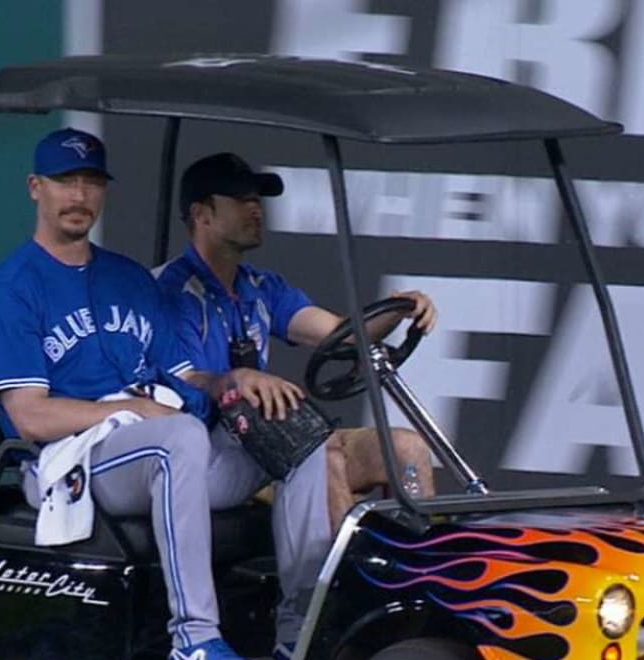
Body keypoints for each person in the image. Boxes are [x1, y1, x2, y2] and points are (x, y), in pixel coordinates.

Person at [0, 129, 331, 660]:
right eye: (66, 182)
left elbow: (182, 377)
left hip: (160, 444)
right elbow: (30, 417)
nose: (80, 195)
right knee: (178, 438)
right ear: (35, 188)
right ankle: (194, 640)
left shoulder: (128, 278)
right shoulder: (11, 291)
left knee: (299, 436)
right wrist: (134, 414)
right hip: (71, 463)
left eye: (92, 182)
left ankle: (297, 634)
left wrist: (229, 384)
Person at [156, 152, 441, 531]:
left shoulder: (262, 287)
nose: (256, 210)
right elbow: (184, 382)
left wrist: (402, 309)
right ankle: (337, 583)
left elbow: (346, 335)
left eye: (258, 200)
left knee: (407, 449)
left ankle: (417, 567)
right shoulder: (169, 291)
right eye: (242, 200)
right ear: (202, 214)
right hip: (210, 454)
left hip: (268, 439)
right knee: (320, 454)